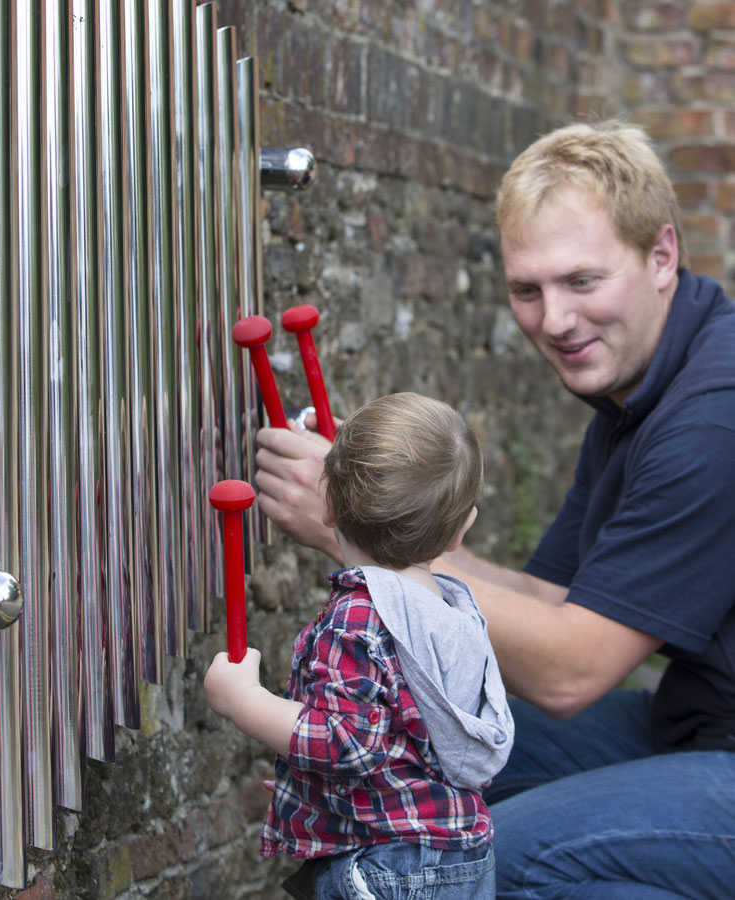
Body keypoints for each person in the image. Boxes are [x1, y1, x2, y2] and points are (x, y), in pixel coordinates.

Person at [253, 119, 735, 899]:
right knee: (412, 746)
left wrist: (358, 540)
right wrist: (392, 514)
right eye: (527, 289)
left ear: (662, 255)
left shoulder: (711, 418)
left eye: (583, 281)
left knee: (479, 860)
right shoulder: (636, 394)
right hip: (692, 724)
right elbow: (546, 602)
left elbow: (574, 668)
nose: (554, 321)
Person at [204, 392, 514, 900]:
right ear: (462, 530)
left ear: (325, 503)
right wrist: (315, 793)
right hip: (462, 855)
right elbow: (404, 746)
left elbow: (345, 743)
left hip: (393, 865)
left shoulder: (359, 620)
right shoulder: (456, 613)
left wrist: (244, 701)